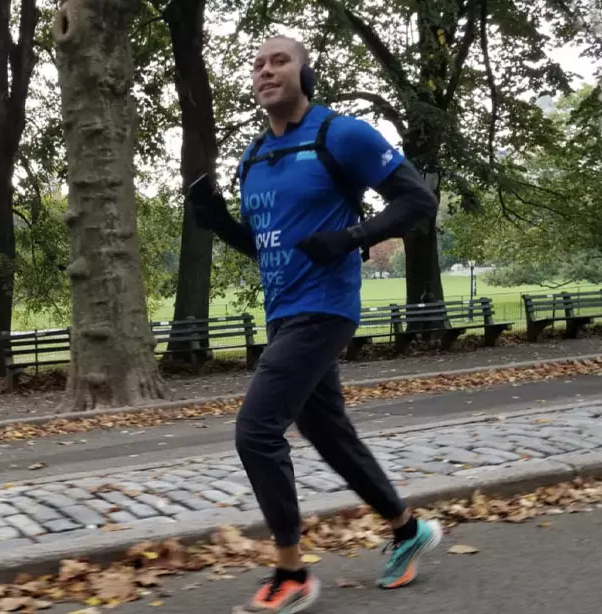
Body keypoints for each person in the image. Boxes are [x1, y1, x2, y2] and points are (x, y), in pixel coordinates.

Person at [186, 34, 442, 613]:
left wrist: (352, 238)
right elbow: (267, 246)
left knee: (256, 431)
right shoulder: (253, 158)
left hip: (325, 309)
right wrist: (218, 220)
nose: (266, 70)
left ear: (306, 73)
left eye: (280, 60)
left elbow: (417, 201)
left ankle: (291, 572)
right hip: (284, 313)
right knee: (328, 432)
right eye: (258, 65)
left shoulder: (339, 135)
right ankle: (406, 530)